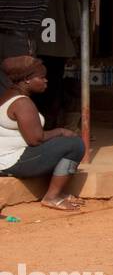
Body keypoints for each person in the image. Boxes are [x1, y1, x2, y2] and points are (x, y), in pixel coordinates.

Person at [0, 56, 85, 211]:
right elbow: (36, 140)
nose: (46, 81)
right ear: (26, 79)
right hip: (13, 161)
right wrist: (61, 131)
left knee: (63, 144)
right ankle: (52, 197)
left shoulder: (8, 95)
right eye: (42, 77)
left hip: (6, 159)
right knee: (75, 144)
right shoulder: (22, 103)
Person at [32, 0, 80, 128]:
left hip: (35, 45)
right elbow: (73, 15)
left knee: (33, 85)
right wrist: (75, 35)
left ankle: (36, 120)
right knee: (53, 85)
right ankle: (50, 122)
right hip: (57, 46)